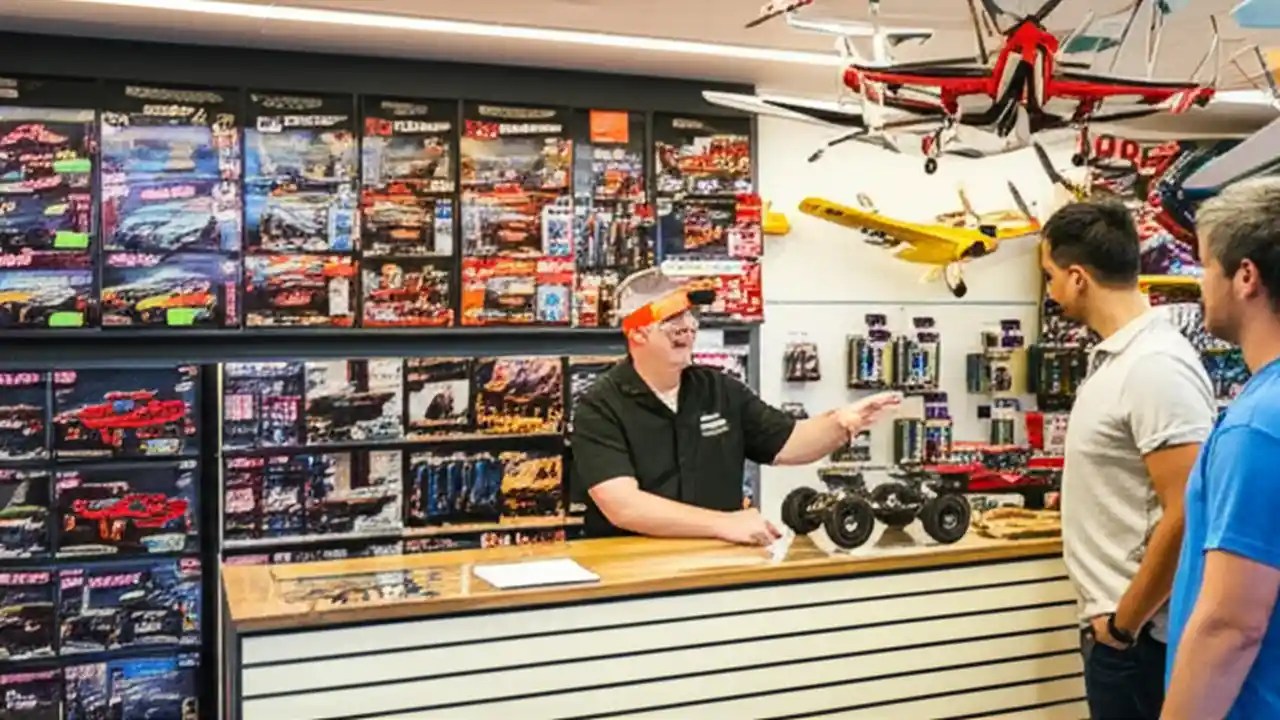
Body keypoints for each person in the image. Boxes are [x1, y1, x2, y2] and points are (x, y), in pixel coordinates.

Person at [1039, 199, 1216, 719]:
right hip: (1121, 631)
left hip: (1137, 639)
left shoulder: (1154, 366)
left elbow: (1186, 508)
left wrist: (1124, 624)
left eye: (1050, 276)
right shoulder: (1122, 358)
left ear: (1077, 278)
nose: (1050, 292)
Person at [570, 268, 901, 545]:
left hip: (719, 565)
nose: (688, 327)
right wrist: (723, 524)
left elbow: (789, 442)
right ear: (637, 334)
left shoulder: (719, 390)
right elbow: (623, 506)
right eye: (671, 319)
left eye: (690, 315)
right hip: (634, 572)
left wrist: (842, 423)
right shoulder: (598, 407)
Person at [1163, 178, 1280, 719]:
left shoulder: (1258, 424)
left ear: (1245, 277)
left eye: (1205, 266)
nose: (1199, 285)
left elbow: (1231, 626)